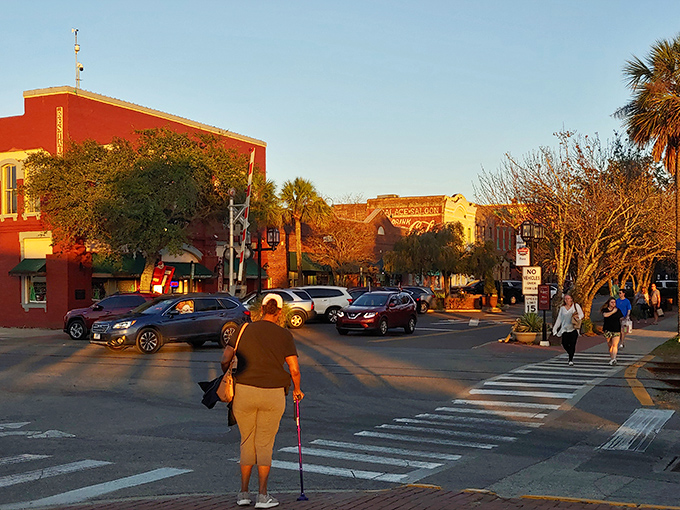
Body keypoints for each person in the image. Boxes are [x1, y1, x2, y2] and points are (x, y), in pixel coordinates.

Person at [221, 293, 304, 509]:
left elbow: (224, 358)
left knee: (247, 441)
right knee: (265, 443)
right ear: (278, 312)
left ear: (262, 309)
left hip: (244, 391)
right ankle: (263, 495)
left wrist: (228, 373)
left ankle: (243, 493)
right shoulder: (284, 335)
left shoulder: (243, 329)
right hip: (273, 393)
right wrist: (297, 389)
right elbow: (294, 369)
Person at [552, 294, 584, 366]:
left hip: (573, 328)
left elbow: (582, 315)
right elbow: (559, 319)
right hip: (564, 329)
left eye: (568, 298)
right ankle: (570, 353)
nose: (567, 300)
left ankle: (570, 359)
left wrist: (577, 317)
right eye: (565, 299)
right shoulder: (562, 308)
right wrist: (555, 329)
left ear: (571, 299)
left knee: (572, 344)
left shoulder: (576, 306)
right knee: (564, 343)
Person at [601, 297, 624, 365]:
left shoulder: (618, 310)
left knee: (615, 345)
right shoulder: (605, 310)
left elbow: (621, 317)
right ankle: (612, 357)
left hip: (616, 329)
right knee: (610, 345)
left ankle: (614, 358)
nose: (613, 304)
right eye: (612, 302)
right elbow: (605, 315)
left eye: (614, 302)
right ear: (609, 303)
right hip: (607, 329)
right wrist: (612, 312)